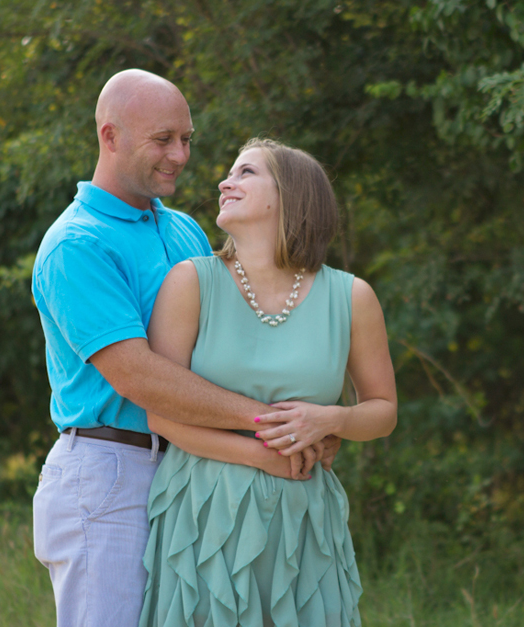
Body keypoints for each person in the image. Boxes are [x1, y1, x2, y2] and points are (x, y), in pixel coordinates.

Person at [31, 70, 337, 627]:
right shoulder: (77, 245)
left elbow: (240, 342)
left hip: (193, 472)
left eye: (187, 139)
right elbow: (139, 377)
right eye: (163, 139)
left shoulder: (185, 231)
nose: (180, 155)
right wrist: (274, 426)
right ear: (110, 136)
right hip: (111, 473)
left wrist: (318, 420)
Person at [138, 138, 397, 627]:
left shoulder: (352, 297)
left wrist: (332, 418)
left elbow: (382, 410)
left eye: (246, 173)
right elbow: (161, 413)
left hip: (303, 518)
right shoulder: (191, 282)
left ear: (291, 195)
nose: (224, 182)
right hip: (203, 515)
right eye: (230, 173)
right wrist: (264, 457)